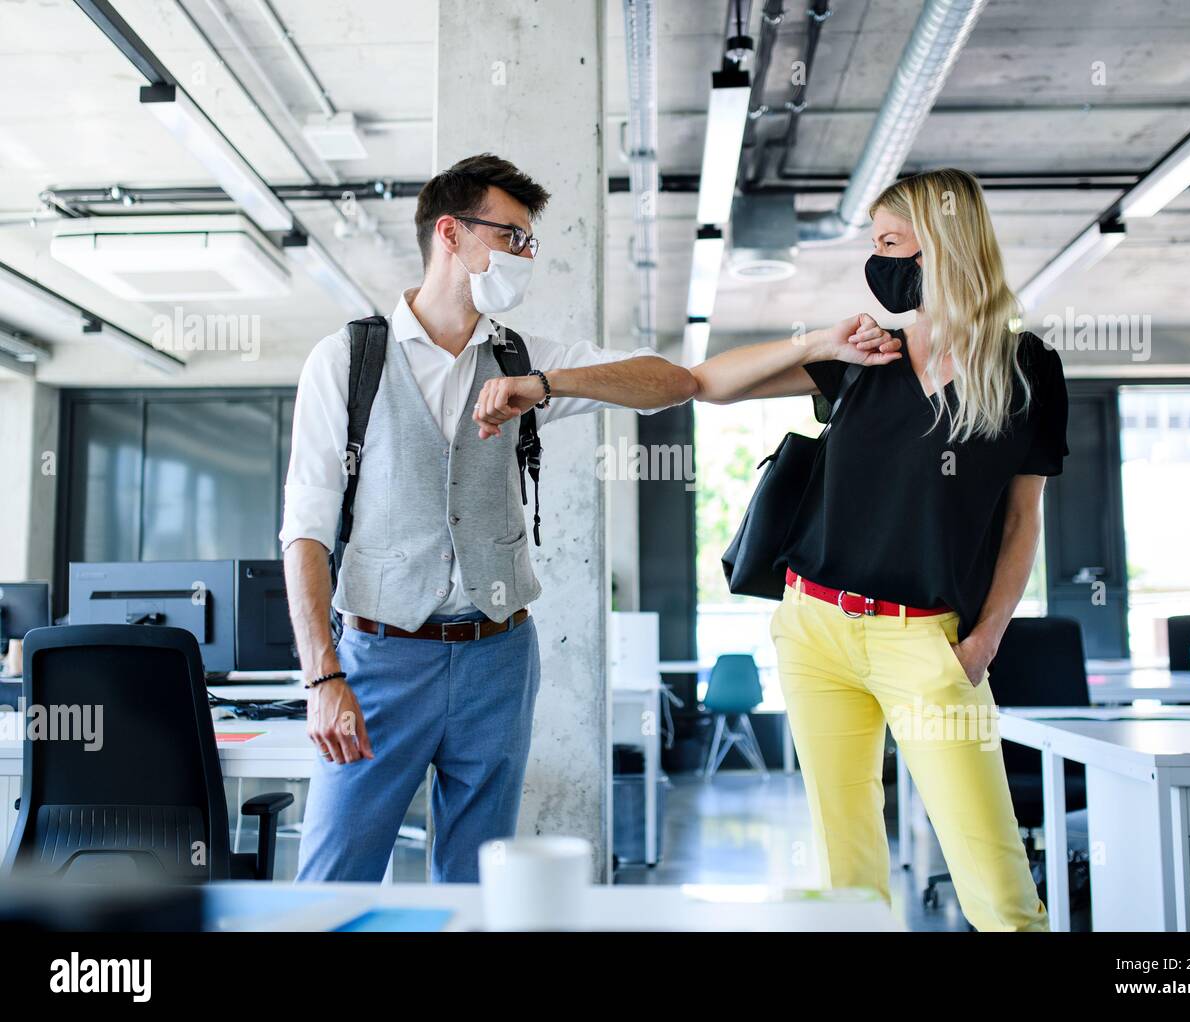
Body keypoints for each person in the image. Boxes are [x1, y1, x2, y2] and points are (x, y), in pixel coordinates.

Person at [283, 152, 697, 883]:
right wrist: (323, 677)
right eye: (511, 237)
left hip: (498, 657)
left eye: (529, 242)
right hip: (379, 659)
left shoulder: (520, 358)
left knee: (481, 891)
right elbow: (306, 531)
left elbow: (669, 383)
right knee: (331, 881)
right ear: (451, 232)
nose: (523, 256)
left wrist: (546, 384)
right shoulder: (347, 360)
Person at [690, 168, 1068, 931]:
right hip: (814, 628)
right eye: (874, 244)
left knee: (998, 887)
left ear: (945, 245)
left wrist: (986, 639)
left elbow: (1024, 520)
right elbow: (711, 385)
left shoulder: (1029, 369)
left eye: (891, 242)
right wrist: (822, 341)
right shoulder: (867, 354)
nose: (878, 260)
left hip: (927, 641)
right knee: (846, 877)